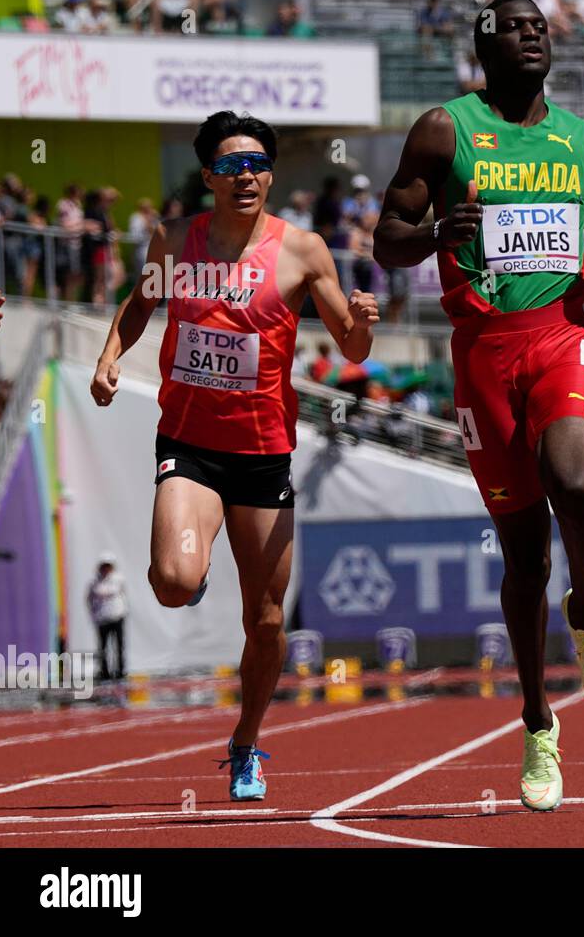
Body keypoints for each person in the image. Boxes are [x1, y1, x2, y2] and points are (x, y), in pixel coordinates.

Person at [373, 0, 584, 812]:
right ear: (483, 44)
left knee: (579, 485)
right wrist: (432, 238)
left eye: (542, 27)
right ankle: (536, 721)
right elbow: (386, 239)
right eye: (516, 26)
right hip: (484, 353)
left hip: (561, 333)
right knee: (523, 558)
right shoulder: (444, 131)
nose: (533, 34)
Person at [90, 111, 379, 801]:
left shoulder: (305, 251)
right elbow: (140, 304)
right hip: (190, 446)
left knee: (269, 621)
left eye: (256, 164)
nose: (244, 176)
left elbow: (352, 347)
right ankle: (195, 547)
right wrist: (108, 357)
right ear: (208, 177)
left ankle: (246, 741)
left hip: (262, 457)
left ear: (271, 174)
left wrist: (363, 324)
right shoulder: (174, 240)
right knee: (172, 581)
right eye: (228, 166)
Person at [87, 553, 129, 681]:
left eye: (108, 566)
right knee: (103, 647)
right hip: (102, 619)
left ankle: (120, 671)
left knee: (119, 646)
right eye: (104, 566)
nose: (106, 569)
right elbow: (89, 599)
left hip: (117, 617)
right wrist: (93, 615)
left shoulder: (118, 579)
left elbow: (118, 593)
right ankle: (104, 672)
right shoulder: (94, 581)